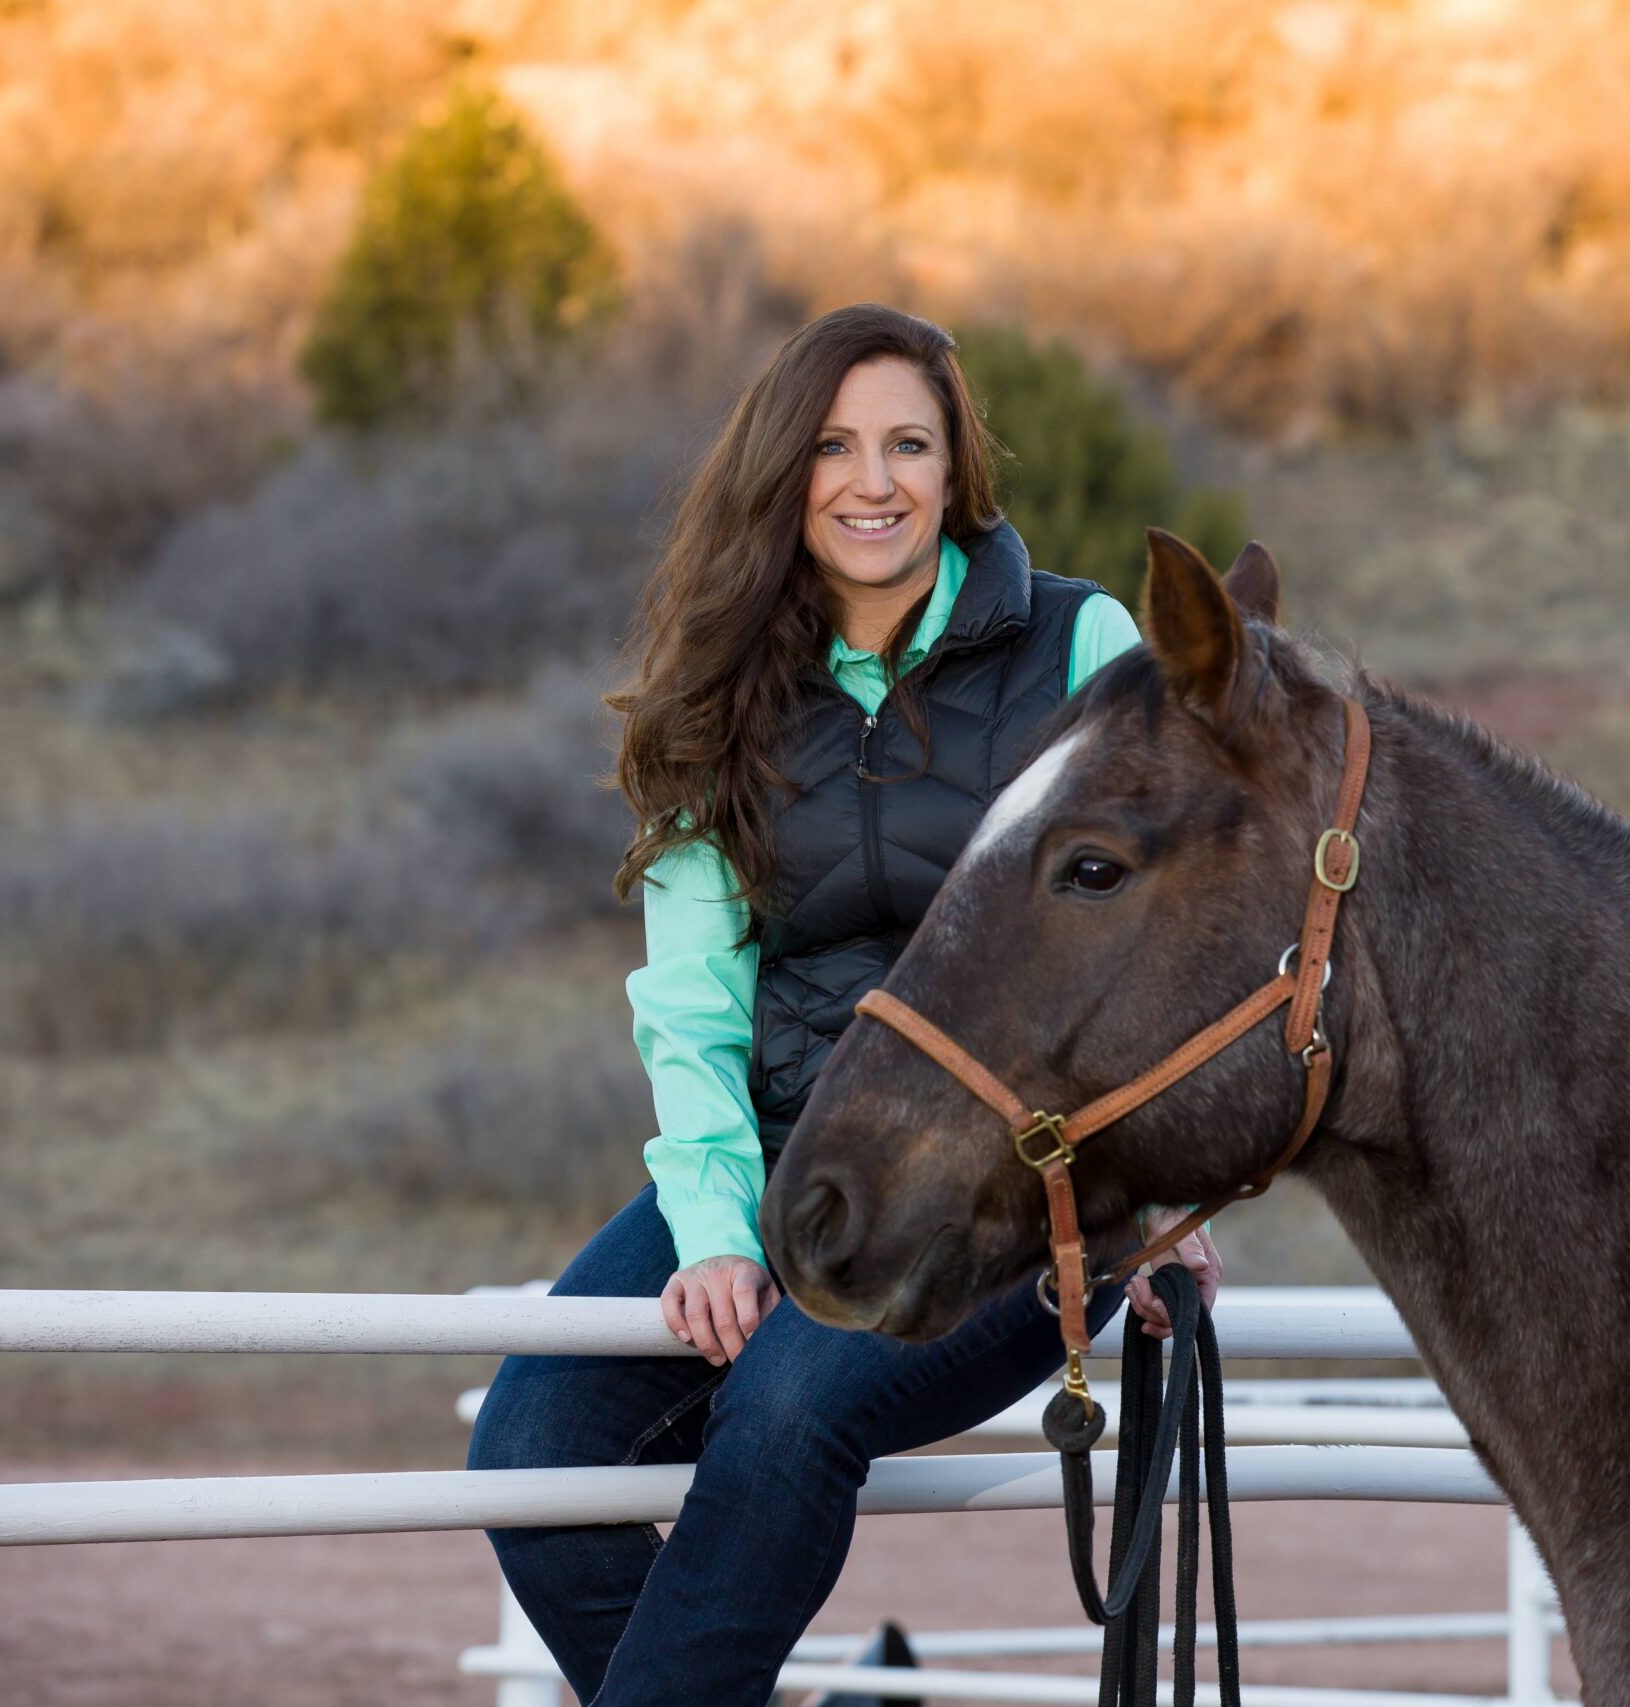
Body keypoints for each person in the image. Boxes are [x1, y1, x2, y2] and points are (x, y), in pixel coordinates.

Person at [467, 303, 1221, 1705]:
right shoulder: (719, 688)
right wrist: (707, 1227)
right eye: (834, 446)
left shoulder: (1079, 641)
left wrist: (1174, 1195)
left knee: (787, 1411)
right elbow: (690, 998)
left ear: (955, 471)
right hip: (783, 1164)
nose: (873, 481)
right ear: (782, 472)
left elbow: (1166, 934)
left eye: (909, 445)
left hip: (1020, 1184)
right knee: (530, 1458)